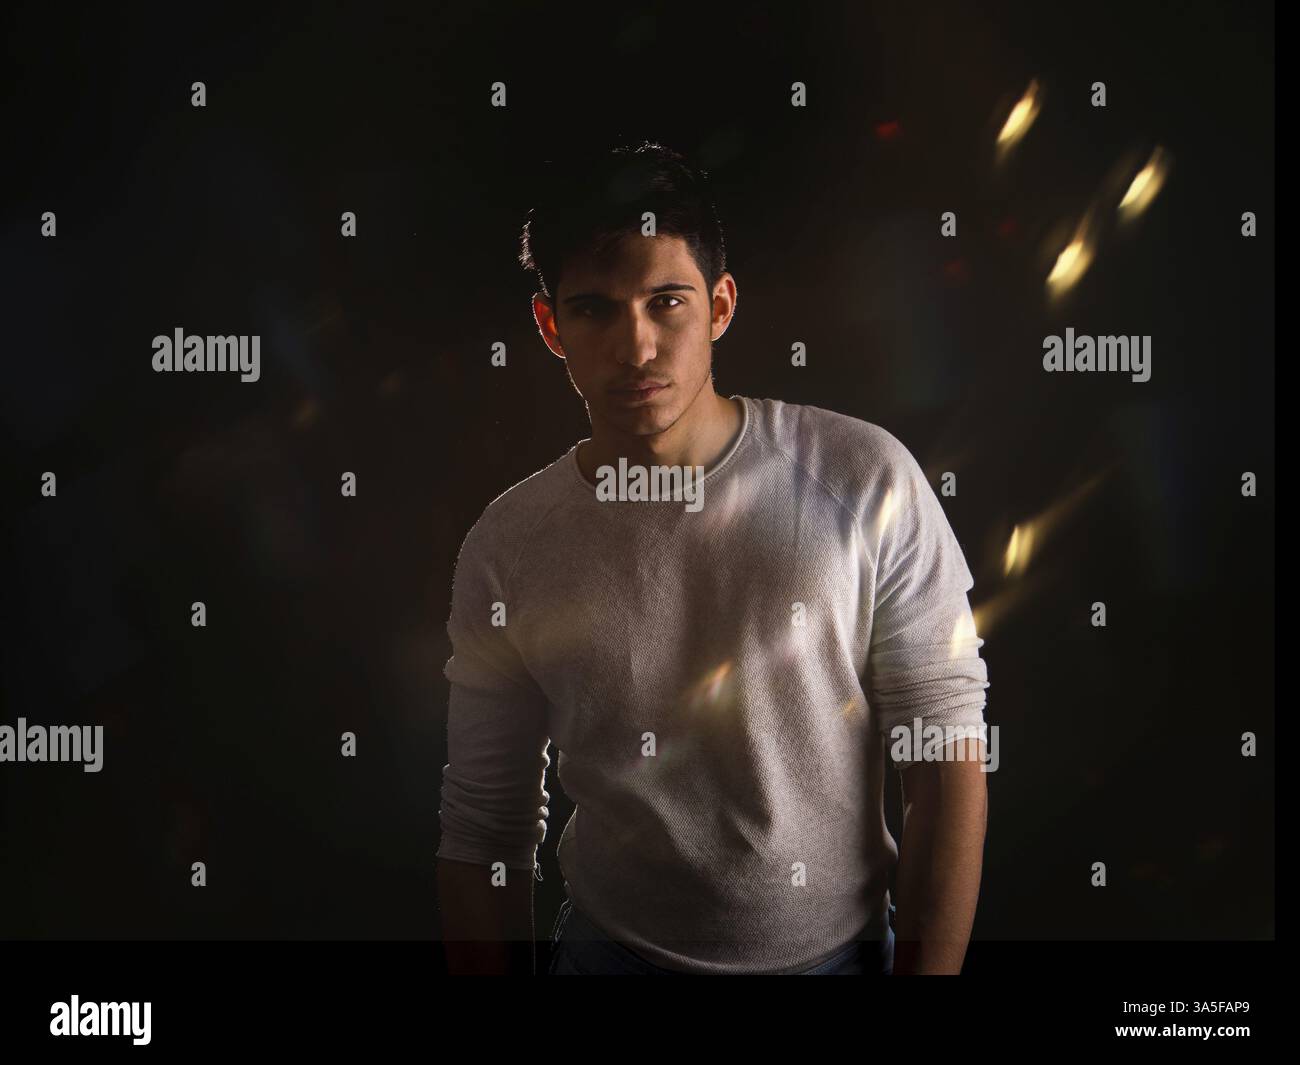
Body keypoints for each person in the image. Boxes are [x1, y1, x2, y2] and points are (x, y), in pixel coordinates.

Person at [436, 141, 989, 975]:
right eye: (594, 309)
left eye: (668, 302)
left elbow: (944, 755)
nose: (637, 346)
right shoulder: (507, 544)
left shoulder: (865, 477)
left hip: (837, 958)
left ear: (721, 305)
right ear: (550, 326)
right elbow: (483, 825)